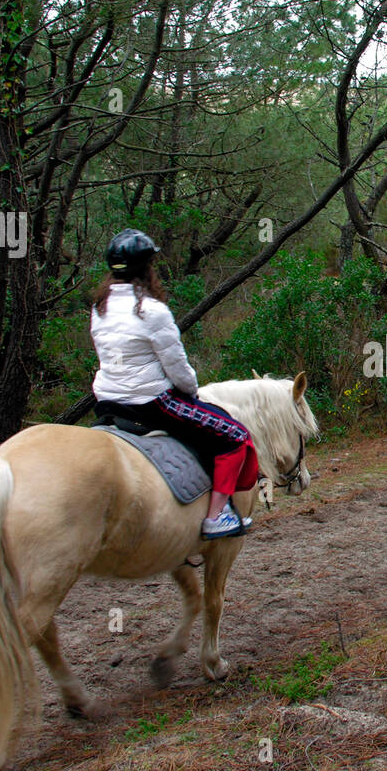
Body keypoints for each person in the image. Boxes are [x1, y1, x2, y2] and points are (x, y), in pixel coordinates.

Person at [90, 229, 257, 539]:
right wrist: (192, 392)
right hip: (151, 403)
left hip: (108, 401)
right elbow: (178, 370)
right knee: (234, 435)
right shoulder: (153, 312)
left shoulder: (99, 307)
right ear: (147, 268)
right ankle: (216, 518)